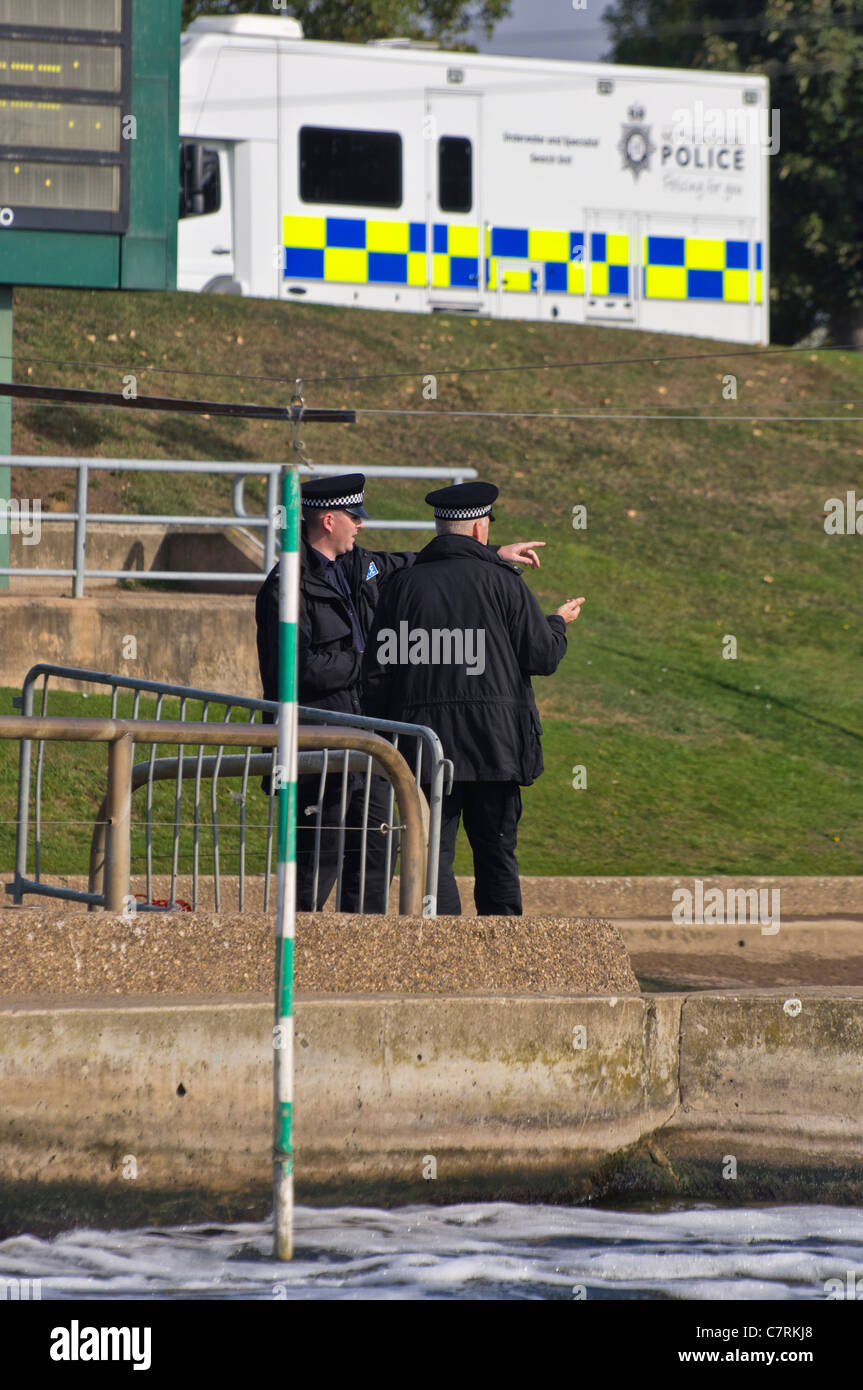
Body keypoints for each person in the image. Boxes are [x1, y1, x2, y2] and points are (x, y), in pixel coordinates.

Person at [255, 472, 546, 912]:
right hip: (318, 744)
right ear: (329, 521)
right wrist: (370, 657)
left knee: (375, 856)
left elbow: (419, 562)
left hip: (368, 744)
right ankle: (299, 954)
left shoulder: (360, 566)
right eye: (355, 517)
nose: (362, 525)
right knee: (319, 859)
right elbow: (295, 670)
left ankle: (364, 957)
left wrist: (488, 551)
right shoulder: (286, 588)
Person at [361, 481, 584, 916]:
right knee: (496, 852)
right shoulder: (505, 584)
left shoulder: (403, 587)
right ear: (482, 530)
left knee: (433, 856)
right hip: (494, 746)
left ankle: (442, 954)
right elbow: (542, 656)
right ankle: (503, 955)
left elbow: (377, 674)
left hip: (424, 748)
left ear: (440, 527)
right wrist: (557, 622)